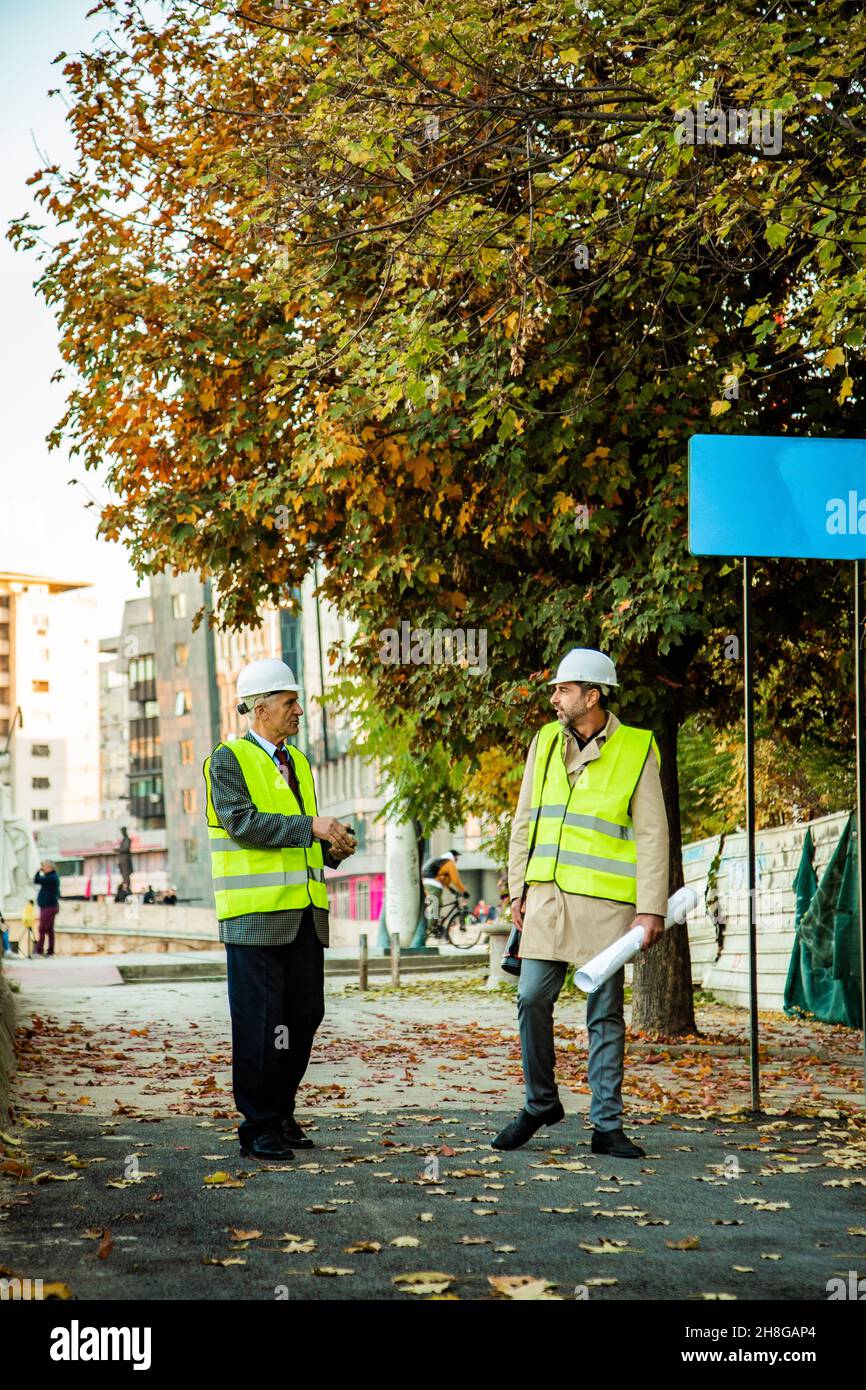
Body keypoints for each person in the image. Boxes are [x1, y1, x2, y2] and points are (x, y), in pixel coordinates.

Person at [493, 647, 669, 1158]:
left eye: (563, 690)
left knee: (604, 1013)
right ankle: (541, 1103)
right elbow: (524, 819)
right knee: (530, 998)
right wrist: (516, 889)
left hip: (608, 907)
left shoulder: (637, 748)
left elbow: (653, 834)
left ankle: (606, 1125)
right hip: (545, 898)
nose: (554, 698)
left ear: (592, 696)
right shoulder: (545, 741)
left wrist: (651, 907)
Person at [203, 658, 356, 1163]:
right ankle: (258, 1126)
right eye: (291, 703)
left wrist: (331, 847)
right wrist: (311, 827)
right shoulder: (226, 760)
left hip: (305, 914)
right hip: (254, 918)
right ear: (260, 707)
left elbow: (299, 835)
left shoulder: (301, 763)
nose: (300, 711)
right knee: (262, 1024)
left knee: (304, 1016)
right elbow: (242, 824)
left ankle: (282, 1110)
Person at [421, 849, 468, 924]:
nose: (457, 859)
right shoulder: (449, 863)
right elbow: (456, 880)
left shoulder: (442, 862)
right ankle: (429, 929)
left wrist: (451, 889)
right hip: (433, 885)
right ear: (453, 856)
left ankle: (434, 926)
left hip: (429, 883)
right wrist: (464, 891)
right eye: (457, 857)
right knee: (435, 907)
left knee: (439, 904)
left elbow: (441, 878)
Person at [33, 860, 61, 957]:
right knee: (49, 930)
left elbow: (36, 879)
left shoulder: (51, 878)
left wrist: (38, 871)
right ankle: (50, 951)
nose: (43, 868)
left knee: (42, 929)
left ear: (50, 867)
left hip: (49, 907)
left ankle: (39, 951)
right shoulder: (51, 877)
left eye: (44, 866)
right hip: (49, 906)